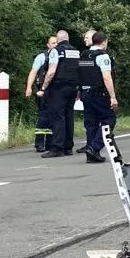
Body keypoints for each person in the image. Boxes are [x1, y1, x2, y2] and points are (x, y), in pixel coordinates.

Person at [36, 29, 81, 158]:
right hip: (73, 88)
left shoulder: (56, 51)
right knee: (69, 116)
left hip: (58, 88)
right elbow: (79, 70)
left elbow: (51, 71)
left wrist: (44, 87)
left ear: (58, 39)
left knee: (57, 116)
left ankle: (57, 147)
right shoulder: (76, 52)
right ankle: (68, 147)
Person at [78, 31, 119, 163]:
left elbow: (80, 74)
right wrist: (112, 97)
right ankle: (95, 148)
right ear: (103, 42)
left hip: (85, 93)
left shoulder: (84, 55)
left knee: (91, 123)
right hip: (99, 93)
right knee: (109, 119)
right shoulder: (102, 56)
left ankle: (91, 153)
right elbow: (106, 77)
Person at [24, 34, 57, 152]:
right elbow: (33, 72)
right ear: (48, 45)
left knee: (52, 117)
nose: (55, 45)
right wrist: (29, 88)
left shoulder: (59, 57)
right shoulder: (41, 57)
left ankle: (49, 143)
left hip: (54, 91)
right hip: (42, 91)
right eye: (53, 43)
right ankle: (39, 143)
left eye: (57, 43)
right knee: (43, 117)